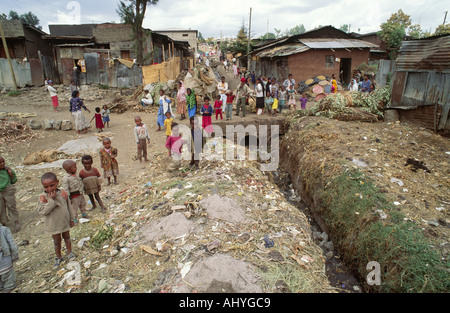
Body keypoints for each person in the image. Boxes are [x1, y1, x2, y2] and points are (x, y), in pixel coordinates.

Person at [37, 172, 75, 270]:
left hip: (64, 221)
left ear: (57, 183)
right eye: (46, 187)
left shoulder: (63, 193)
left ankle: (69, 253)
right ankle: (58, 257)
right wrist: (51, 201)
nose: (49, 189)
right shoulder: (43, 197)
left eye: (52, 185)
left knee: (67, 237)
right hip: (53, 225)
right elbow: (43, 211)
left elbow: (69, 206)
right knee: (57, 241)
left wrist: (71, 219)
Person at [61, 160, 88, 225]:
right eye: (75, 167)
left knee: (83, 204)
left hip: (80, 194)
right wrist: (68, 198)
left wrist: (84, 189)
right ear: (69, 170)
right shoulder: (66, 178)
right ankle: (74, 220)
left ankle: (84, 214)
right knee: (74, 209)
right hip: (74, 196)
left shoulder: (76, 175)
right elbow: (66, 189)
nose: (76, 168)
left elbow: (80, 183)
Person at [0, 156, 20, 232]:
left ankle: (16, 220)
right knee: (1, 208)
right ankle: (4, 223)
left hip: (8, 190)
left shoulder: (7, 170)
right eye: (0, 163)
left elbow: (14, 180)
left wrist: (11, 174)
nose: (2, 164)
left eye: (3, 162)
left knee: (11, 205)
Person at [0, 225, 19, 292]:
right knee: (8, 275)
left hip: (4, 258)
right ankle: (9, 286)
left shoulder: (4, 229)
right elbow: (12, 244)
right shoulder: (4, 229)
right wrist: (14, 255)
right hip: (5, 259)